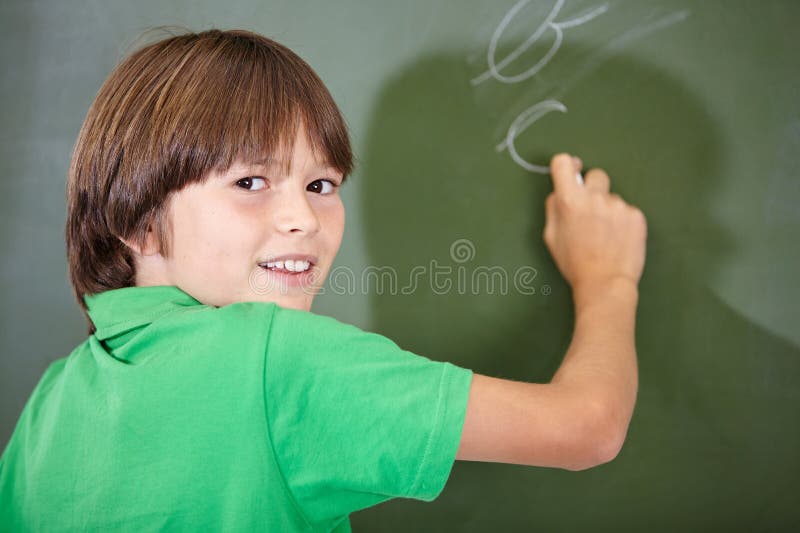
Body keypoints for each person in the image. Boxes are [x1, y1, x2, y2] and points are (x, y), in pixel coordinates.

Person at [0, 29, 646, 532]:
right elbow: (586, 427)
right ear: (137, 219)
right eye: (250, 182)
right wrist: (609, 276)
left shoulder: (52, 401)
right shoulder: (275, 358)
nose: (302, 218)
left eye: (321, 184)